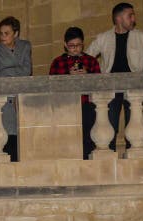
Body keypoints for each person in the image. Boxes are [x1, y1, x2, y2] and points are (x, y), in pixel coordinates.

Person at [86, 3, 143, 150]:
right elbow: (87, 58)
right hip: (110, 88)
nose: (133, 19)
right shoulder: (103, 38)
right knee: (108, 124)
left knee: (136, 125)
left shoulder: (140, 37)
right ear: (118, 18)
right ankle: (108, 156)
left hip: (134, 87)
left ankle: (136, 158)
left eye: (133, 15)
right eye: (130, 15)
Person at [49, 27, 101, 159]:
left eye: (78, 45)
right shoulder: (58, 62)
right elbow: (51, 86)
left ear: (83, 44)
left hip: (87, 105)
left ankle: (87, 164)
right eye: (71, 46)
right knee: (67, 138)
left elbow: (100, 84)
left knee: (88, 138)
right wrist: (68, 75)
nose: (75, 49)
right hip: (66, 106)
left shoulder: (91, 61)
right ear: (65, 45)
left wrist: (87, 75)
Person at [0, 16, 31, 162]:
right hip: (4, 100)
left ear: (16, 34)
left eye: (6, 33)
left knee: (24, 139)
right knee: (7, 139)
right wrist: (15, 70)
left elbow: (27, 71)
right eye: (1, 33)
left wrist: (6, 71)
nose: (2, 37)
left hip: (21, 98)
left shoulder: (25, 46)